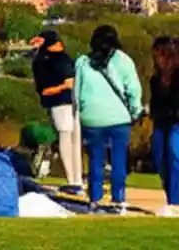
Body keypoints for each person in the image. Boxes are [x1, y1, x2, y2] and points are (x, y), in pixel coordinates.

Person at [76, 24, 143, 209]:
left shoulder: (83, 61)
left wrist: (80, 112)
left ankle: (95, 199)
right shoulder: (123, 61)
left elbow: (76, 92)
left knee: (95, 160)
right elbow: (133, 90)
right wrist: (135, 111)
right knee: (118, 160)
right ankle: (118, 199)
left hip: (91, 117)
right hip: (118, 117)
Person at [31, 30, 83, 193]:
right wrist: (64, 86)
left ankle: (78, 178)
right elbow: (44, 90)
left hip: (73, 102)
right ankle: (71, 178)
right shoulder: (43, 62)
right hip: (59, 103)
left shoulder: (64, 58)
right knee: (66, 137)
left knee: (76, 140)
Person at [149, 36, 179, 215]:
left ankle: (176, 201)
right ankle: (171, 197)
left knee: (174, 154)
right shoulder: (156, 79)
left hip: (177, 120)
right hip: (161, 120)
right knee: (160, 158)